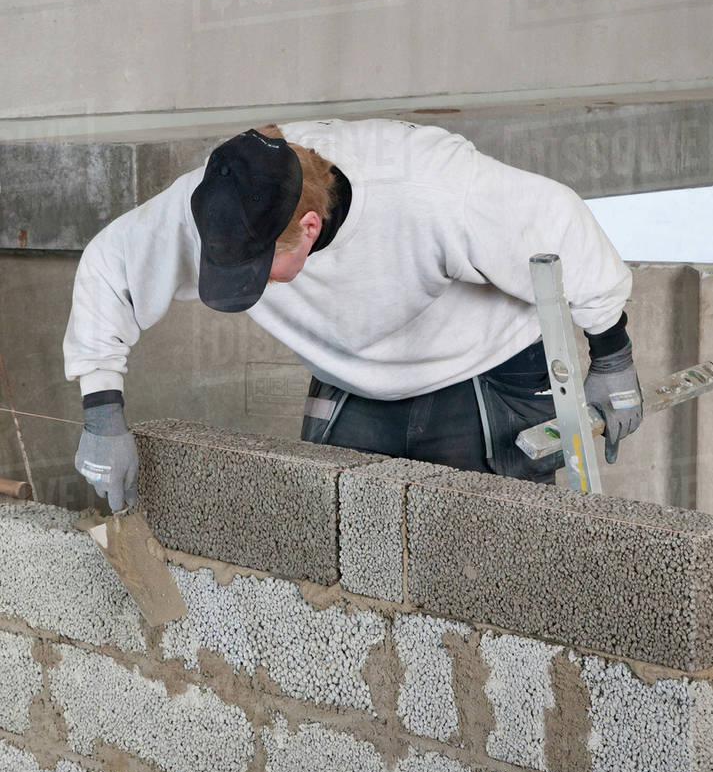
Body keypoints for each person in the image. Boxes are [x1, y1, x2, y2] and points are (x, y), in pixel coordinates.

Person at [64, 119, 642, 512]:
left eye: (260, 268)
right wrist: (102, 414)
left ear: (308, 229)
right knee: (342, 553)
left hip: (486, 370)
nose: (250, 286)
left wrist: (612, 357)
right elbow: (109, 265)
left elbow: (562, 222)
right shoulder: (217, 198)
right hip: (355, 378)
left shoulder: (431, 186)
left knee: (489, 563)